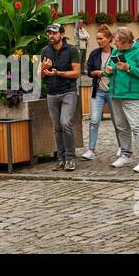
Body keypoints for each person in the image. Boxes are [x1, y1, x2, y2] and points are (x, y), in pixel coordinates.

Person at [106, 28, 139, 173]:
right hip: (116, 93)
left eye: (117, 42)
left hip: (132, 95)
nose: (115, 44)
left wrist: (129, 68)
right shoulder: (116, 52)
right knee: (121, 126)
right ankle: (126, 154)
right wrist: (108, 71)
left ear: (126, 42)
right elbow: (111, 69)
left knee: (136, 126)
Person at [41, 22, 81, 170]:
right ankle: (60, 159)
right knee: (57, 127)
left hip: (68, 92)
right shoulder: (45, 50)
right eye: (49, 33)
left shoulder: (71, 50)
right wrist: (44, 68)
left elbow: (76, 73)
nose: (51, 36)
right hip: (51, 93)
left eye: (54, 33)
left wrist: (58, 73)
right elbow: (41, 76)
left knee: (65, 123)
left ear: (62, 35)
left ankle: (70, 158)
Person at [81, 25, 115, 161]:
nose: (99, 41)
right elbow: (88, 71)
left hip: (113, 90)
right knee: (94, 120)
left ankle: (122, 148)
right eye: (97, 39)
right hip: (98, 90)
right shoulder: (94, 53)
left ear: (109, 39)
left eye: (101, 39)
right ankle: (91, 150)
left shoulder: (116, 53)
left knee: (117, 120)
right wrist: (94, 73)